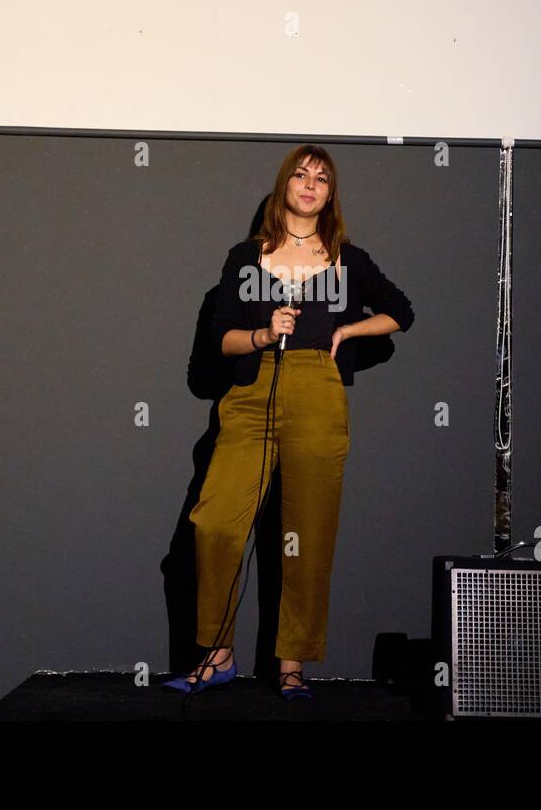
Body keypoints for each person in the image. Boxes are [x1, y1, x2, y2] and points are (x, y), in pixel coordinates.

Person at [164, 144, 415, 699]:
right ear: (284, 186)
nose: (309, 184)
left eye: (321, 179)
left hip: (318, 394)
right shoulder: (246, 257)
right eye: (300, 174)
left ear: (330, 194)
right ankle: (219, 653)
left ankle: (291, 664)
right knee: (216, 522)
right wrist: (261, 332)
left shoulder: (348, 258)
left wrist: (347, 332)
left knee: (305, 534)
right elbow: (220, 338)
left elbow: (402, 311)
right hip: (251, 394)